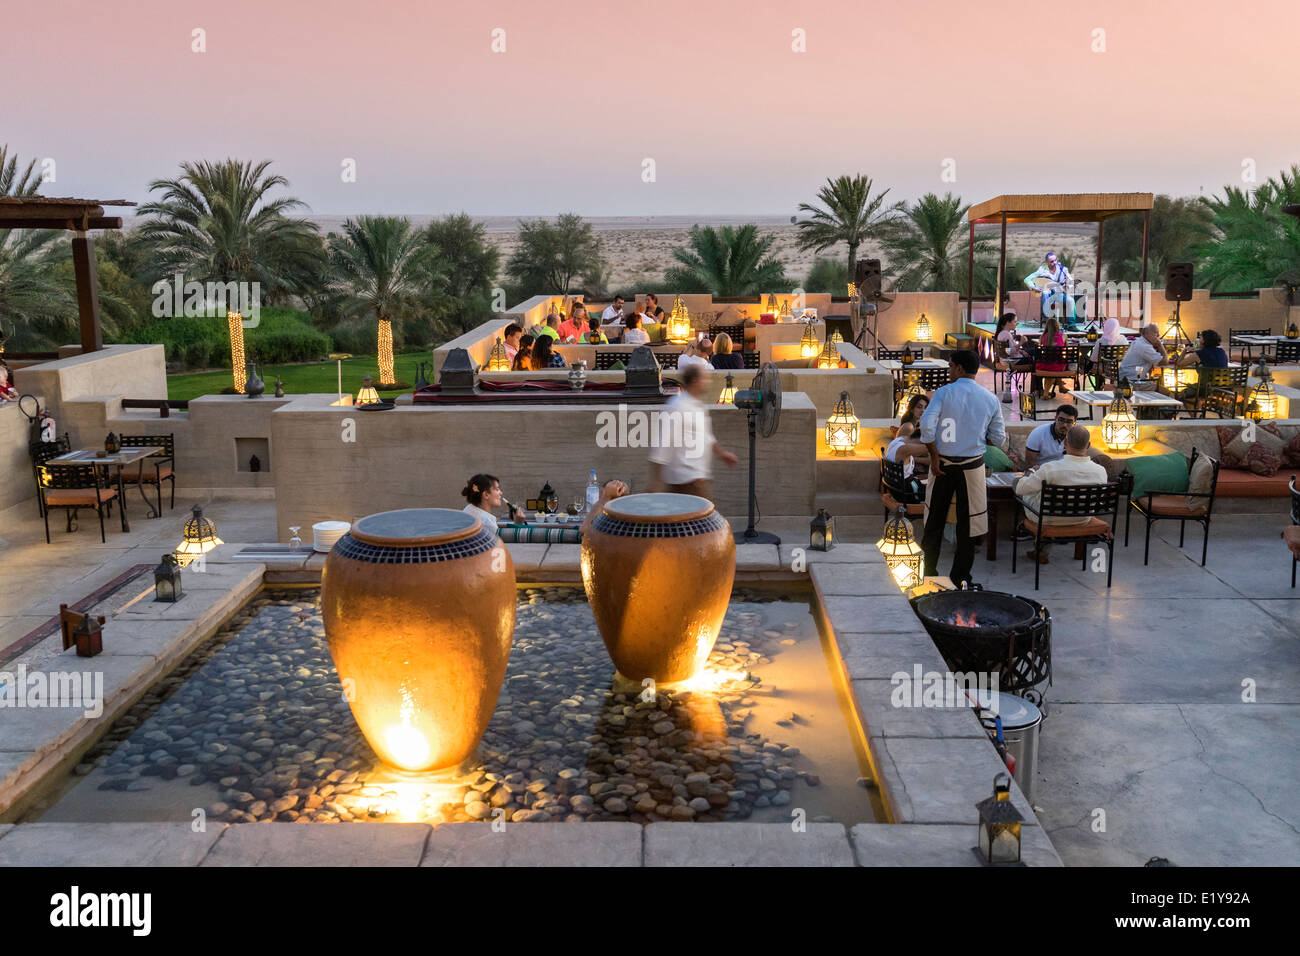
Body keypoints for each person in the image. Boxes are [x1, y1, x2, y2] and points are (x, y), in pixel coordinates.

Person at [917, 350, 1007, 586]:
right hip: (972, 468)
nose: (948, 371)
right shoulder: (990, 399)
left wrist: (934, 456)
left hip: (943, 466)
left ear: (958, 369)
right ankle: (961, 578)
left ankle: (928, 574)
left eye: (950, 367)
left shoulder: (944, 393)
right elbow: (998, 438)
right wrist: (975, 438)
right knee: (969, 527)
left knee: (934, 523)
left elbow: (926, 425)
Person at [1014, 425, 1108, 564]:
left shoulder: (1050, 469)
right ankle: (1041, 550)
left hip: (1047, 519)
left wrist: (1030, 473)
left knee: (1024, 487)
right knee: (1050, 500)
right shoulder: (1100, 471)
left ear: (1065, 443)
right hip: (1082, 519)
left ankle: (1031, 541)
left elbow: (1021, 489)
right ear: (1088, 445)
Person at [648, 364, 738, 499]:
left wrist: (722, 453)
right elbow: (663, 444)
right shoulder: (677, 406)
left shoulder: (698, 406)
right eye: (705, 378)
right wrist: (656, 481)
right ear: (695, 381)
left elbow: (706, 436)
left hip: (697, 478)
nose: (709, 382)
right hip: (685, 481)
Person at [1024, 252, 1073, 323]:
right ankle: (1047, 319)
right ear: (1047, 262)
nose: (1055, 263)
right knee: (1045, 293)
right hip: (1049, 295)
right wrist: (1034, 287)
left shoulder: (1063, 270)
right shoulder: (1042, 270)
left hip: (1060, 294)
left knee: (1070, 300)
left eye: (1055, 260)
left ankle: (1071, 324)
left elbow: (1071, 281)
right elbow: (1027, 279)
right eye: (1052, 261)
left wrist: (1067, 286)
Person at [1030, 317, 1068, 398]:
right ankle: (1048, 392)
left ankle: (1054, 389)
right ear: (1057, 326)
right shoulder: (1064, 336)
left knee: (1050, 365)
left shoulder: (1042, 337)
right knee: (1056, 365)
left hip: (1045, 364)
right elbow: (1066, 348)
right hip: (1059, 365)